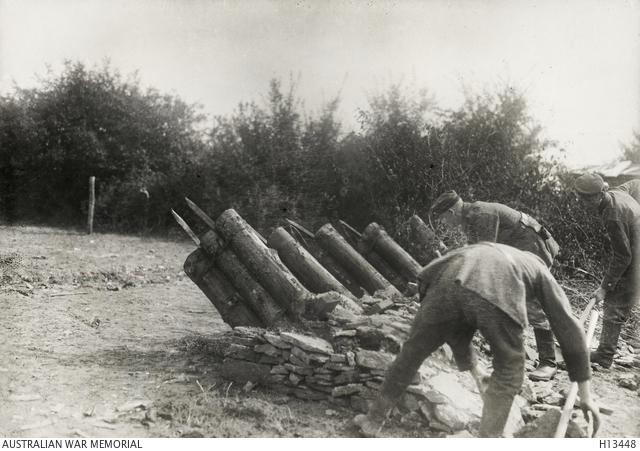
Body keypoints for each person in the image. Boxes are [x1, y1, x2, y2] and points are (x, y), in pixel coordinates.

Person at [353, 242, 601, 438]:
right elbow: (568, 326)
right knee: (509, 368)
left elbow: (454, 317)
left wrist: (474, 369)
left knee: (412, 352)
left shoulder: (481, 249)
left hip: (447, 282)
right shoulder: (538, 269)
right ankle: (489, 440)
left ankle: (374, 420)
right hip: (490, 289)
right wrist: (586, 395)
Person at [428, 190, 560, 381]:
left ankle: (548, 363)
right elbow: (475, 251)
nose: (444, 225)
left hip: (532, 250)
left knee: (530, 301)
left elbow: (486, 256)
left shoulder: (482, 215)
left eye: (443, 220)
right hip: (517, 251)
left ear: (450, 213)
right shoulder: (470, 216)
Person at [574, 173, 640, 367]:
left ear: (602, 192)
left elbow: (623, 257)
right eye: (579, 196)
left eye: (587, 197)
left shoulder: (613, 216)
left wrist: (604, 287)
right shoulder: (618, 191)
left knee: (614, 301)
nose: (581, 201)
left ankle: (604, 355)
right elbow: (637, 183)